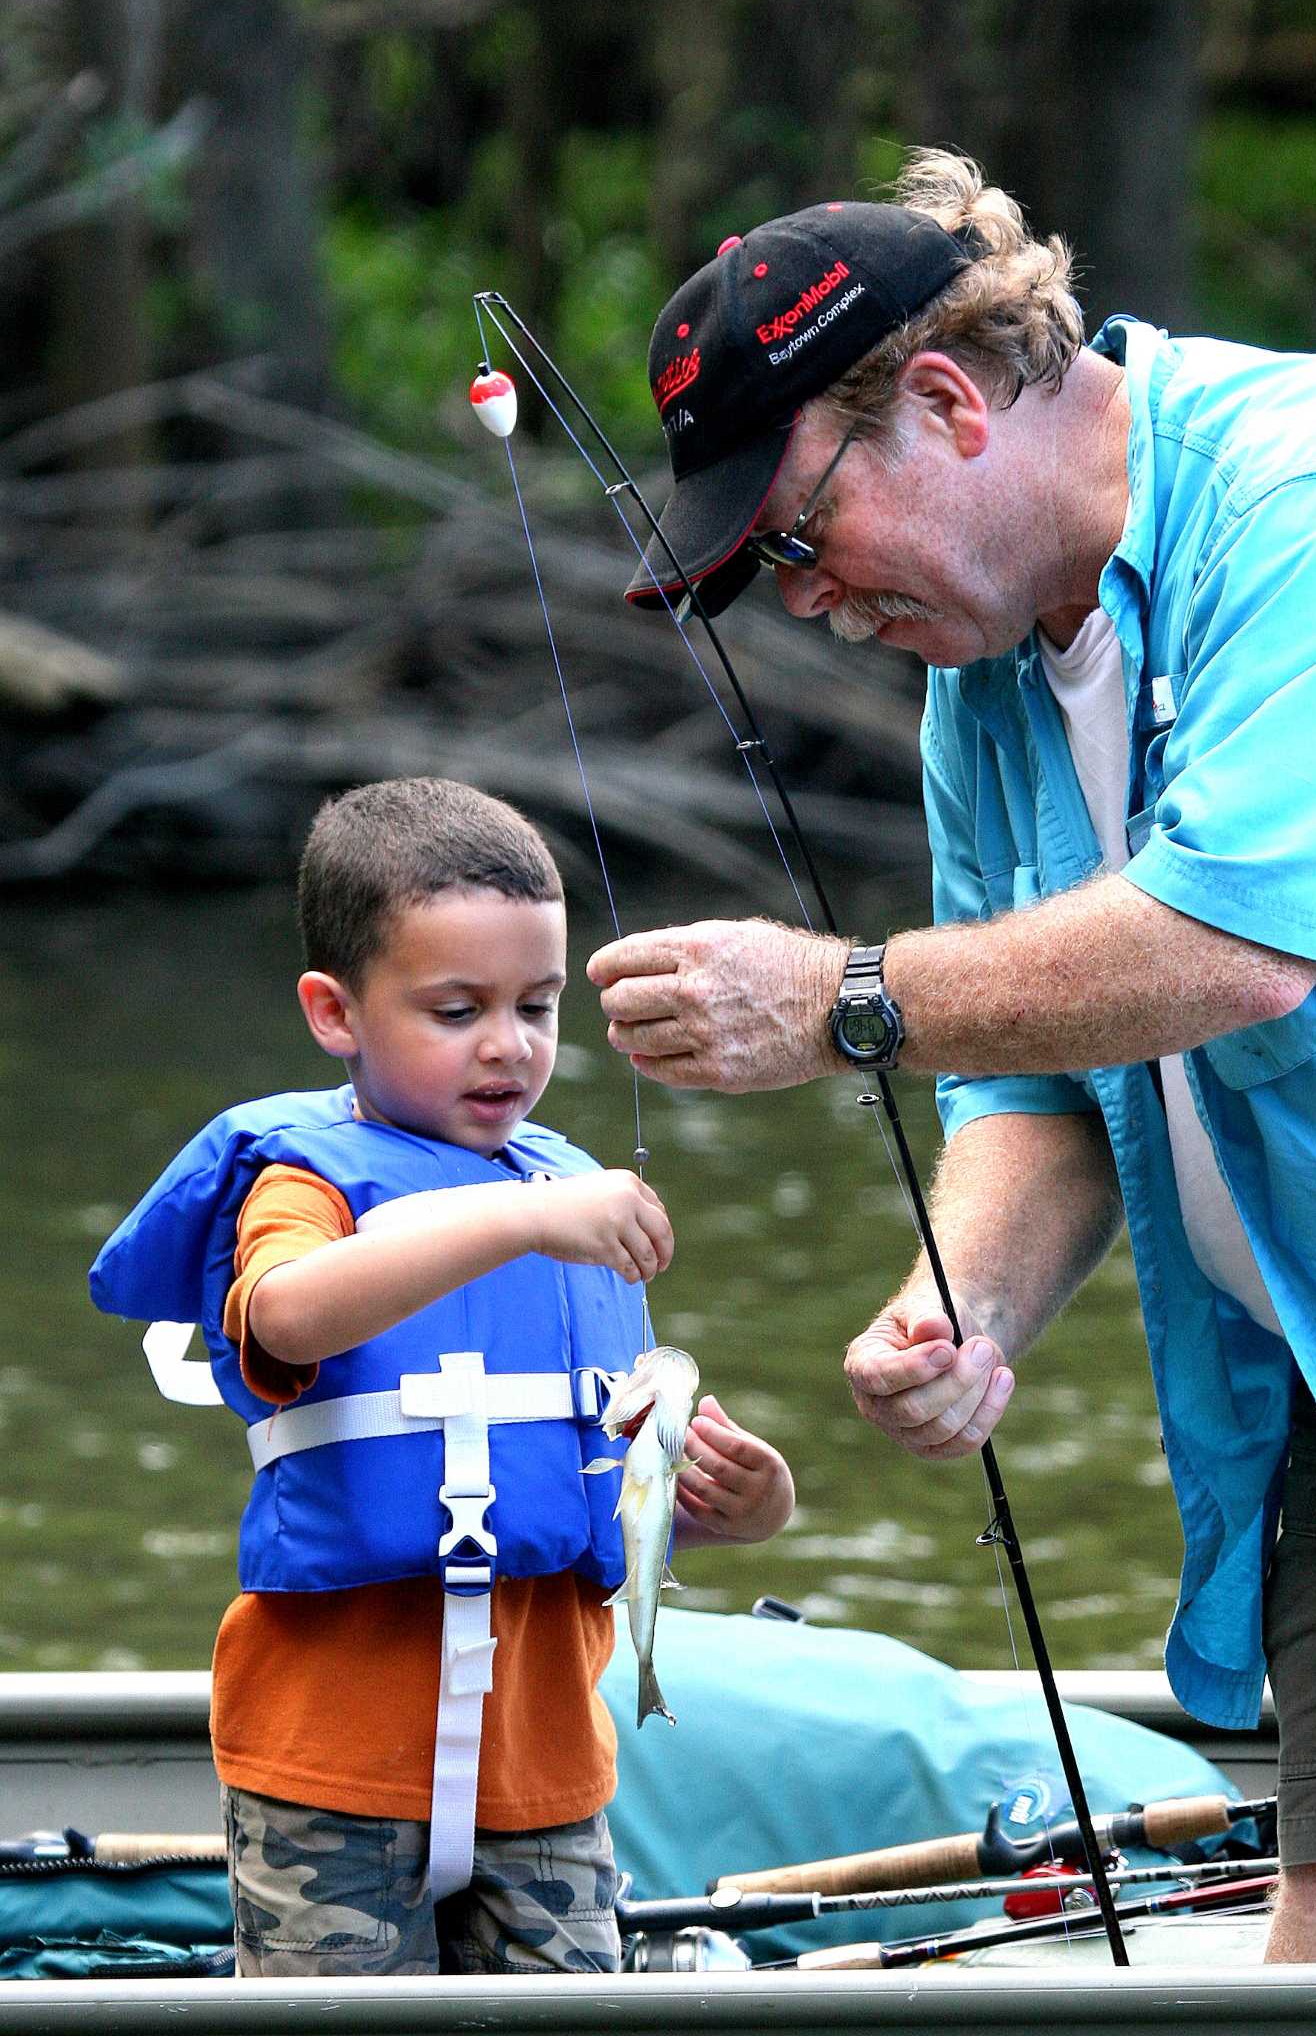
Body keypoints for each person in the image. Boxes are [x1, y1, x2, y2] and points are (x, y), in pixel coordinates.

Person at [588, 148, 1316, 1962]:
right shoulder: (984, 683)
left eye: (793, 542)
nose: (803, 604)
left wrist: (833, 997)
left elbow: (1241, 944)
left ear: (947, 403)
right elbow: (1038, 1071)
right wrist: (968, 1299)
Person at [90, 777, 794, 1978]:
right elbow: (290, 1309)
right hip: (328, 1783)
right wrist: (518, 1219)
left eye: (536, 1004)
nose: (508, 1045)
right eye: (457, 1007)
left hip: (548, 1780)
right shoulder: (308, 1183)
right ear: (334, 1011)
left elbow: (606, 1485)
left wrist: (749, 1499)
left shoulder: (569, 1197)